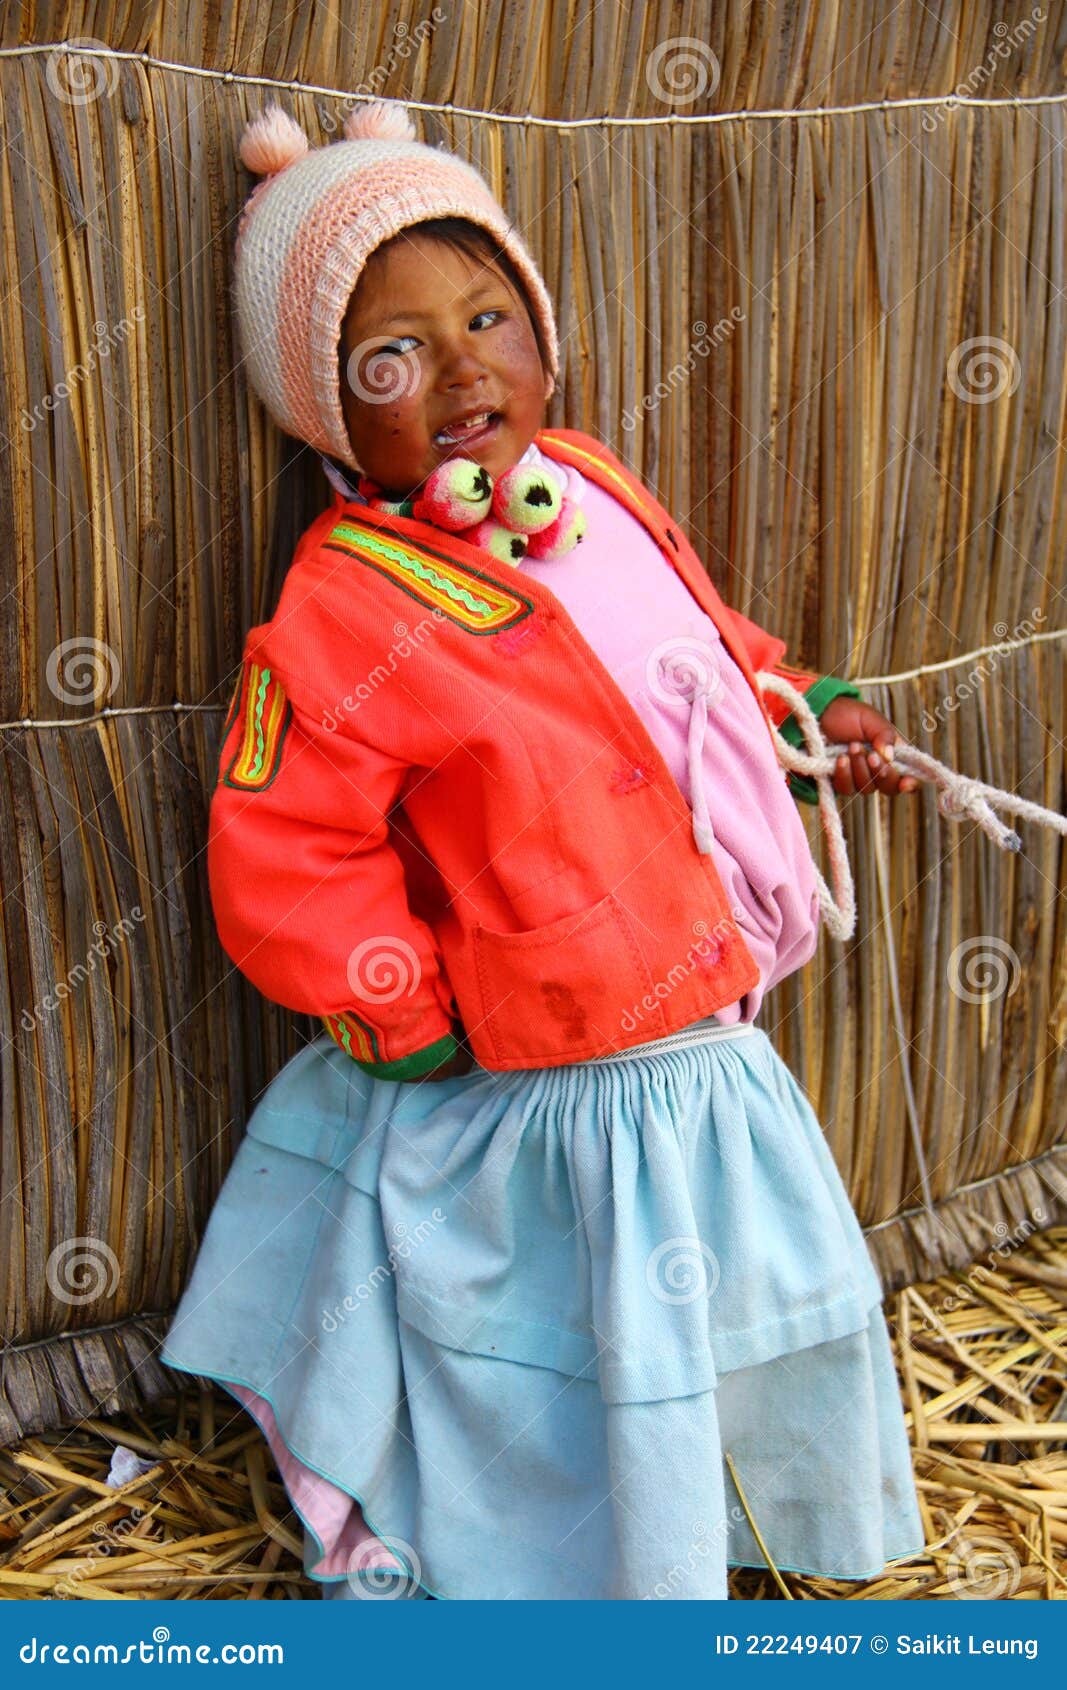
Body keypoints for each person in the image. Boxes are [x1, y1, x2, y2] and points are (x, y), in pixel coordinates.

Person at [160, 99, 925, 1601]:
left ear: (540, 325)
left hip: (706, 1038)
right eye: (392, 355)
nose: (459, 373)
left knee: (727, 1311)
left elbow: (698, 648)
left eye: (488, 317)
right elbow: (286, 844)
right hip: (549, 1083)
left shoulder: (589, 489)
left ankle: (745, 1531)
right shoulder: (346, 610)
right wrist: (404, 1008)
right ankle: (586, 1578)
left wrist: (807, 703)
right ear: (322, 400)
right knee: (566, 1358)